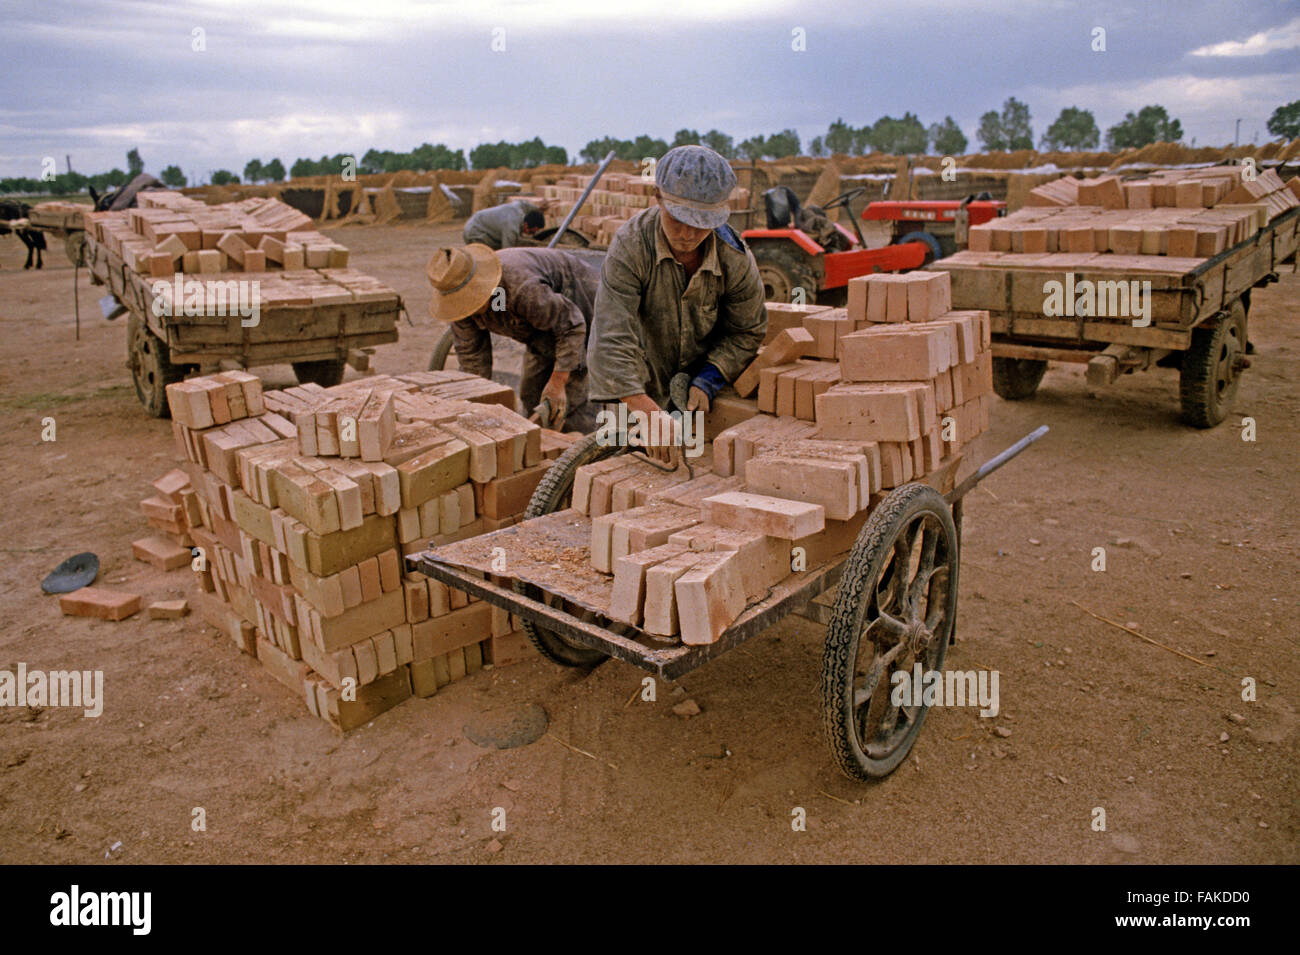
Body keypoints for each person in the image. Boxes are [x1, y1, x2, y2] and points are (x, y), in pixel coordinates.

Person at [587, 144, 766, 458]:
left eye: (701, 223)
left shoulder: (735, 259)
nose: (687, 233)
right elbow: (610, 338)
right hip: (636, 386)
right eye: (677, 219)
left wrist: (711, 375)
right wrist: (645, 409)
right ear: (657, 197)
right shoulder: (630, 247)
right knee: (621, 474)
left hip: (698, 396)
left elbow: (747, 331)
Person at [427, 244, 600, 432]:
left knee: (570, 403)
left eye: (474, 300)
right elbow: (472, 360)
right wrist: (473, 410)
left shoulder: (522, 288)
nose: (473, 311)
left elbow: (571, 327)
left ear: (484, 286)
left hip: (581, 306)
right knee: (532, 395)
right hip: (540, 327)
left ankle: (586, 450)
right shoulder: (461, 311)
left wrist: (559, 380)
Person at [462, 199, 546, 250]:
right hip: (474, 232)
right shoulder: (511, 228)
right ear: (526, 226)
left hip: (476, 221)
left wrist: (538, 208)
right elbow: (507, 251)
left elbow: (523, 203)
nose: (532, 234)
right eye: (531, 232)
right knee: (492, 256)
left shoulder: (518, 208)